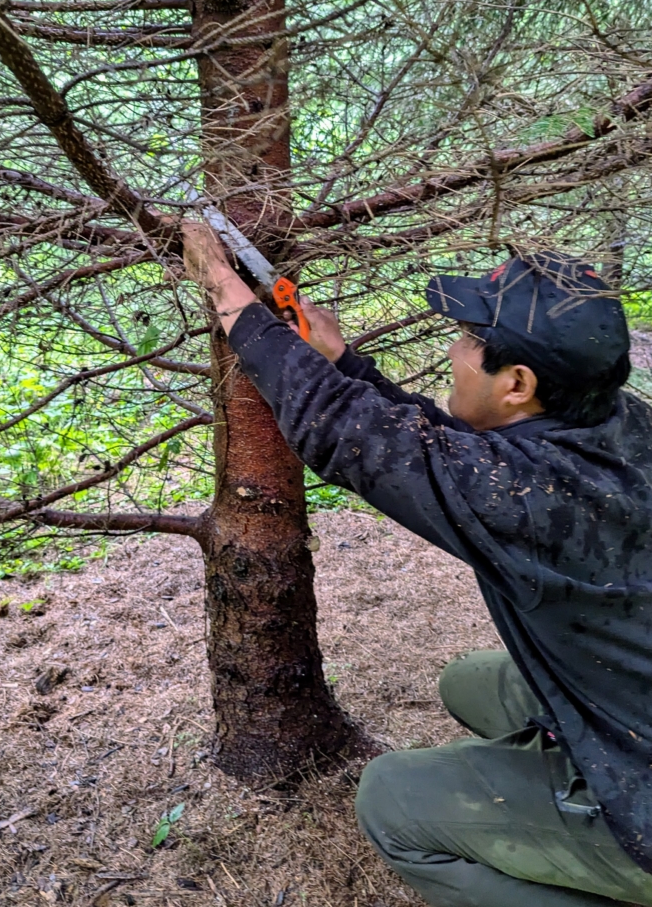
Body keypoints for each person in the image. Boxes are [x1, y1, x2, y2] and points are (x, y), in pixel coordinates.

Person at [182, 220, 652, 907]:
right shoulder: (617, 425)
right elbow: (461, 462)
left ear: (517, 382)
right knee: (472, 683)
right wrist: (347, 366)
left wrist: (227, 294)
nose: (454, 351)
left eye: (468, 341)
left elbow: (353, 437)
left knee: (392, 802)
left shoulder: (531, 501)